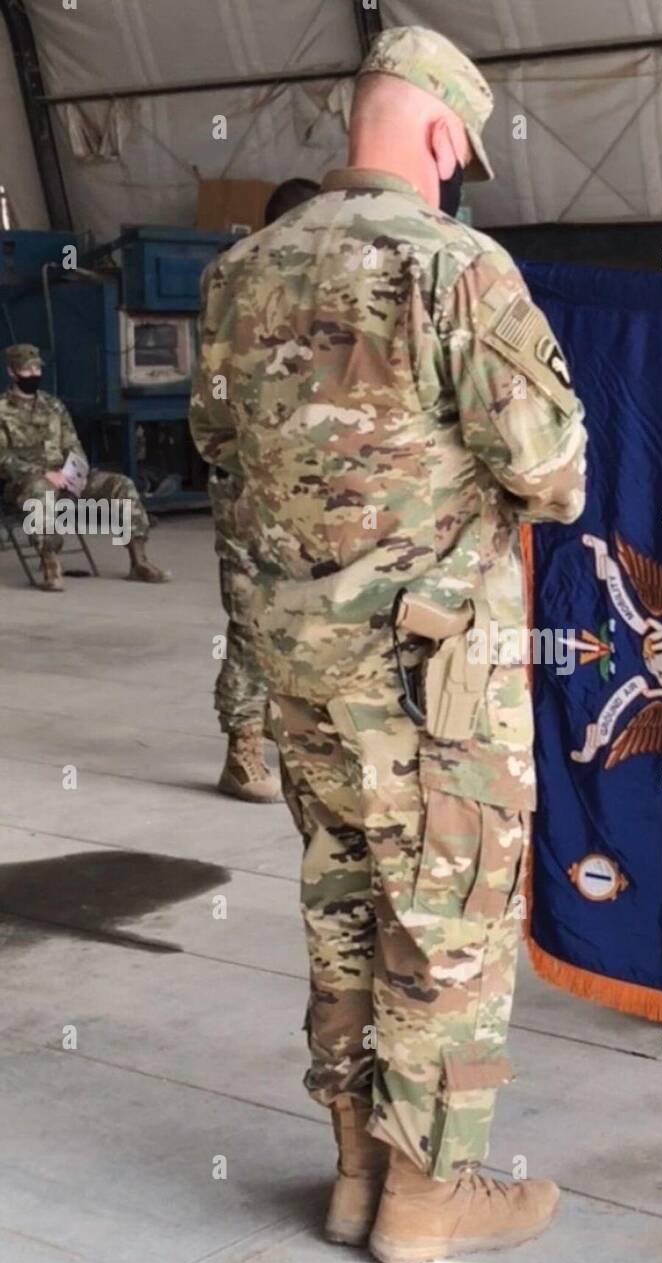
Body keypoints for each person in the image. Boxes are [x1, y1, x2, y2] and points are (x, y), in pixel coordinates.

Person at [190, 25, 586, 1263]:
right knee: (448, 928)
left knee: (345, 914)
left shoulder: (240, 272)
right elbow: (553, 470)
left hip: (299, 671)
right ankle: (429, 1191)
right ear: (436, 135)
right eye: (460, 150)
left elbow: (217, 447)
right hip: (430, 688)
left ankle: (355, 1172)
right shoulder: (458, 267)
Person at [209, 180, 321, 803]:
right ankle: (242, 746)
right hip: (253, 478)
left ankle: (284, 725)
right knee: (253, 617)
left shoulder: (323, 279)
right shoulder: (237, 279)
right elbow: (214, 401)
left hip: (311, 485)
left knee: (306, 614)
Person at [0, 343, 168, 590]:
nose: (34, 374)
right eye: (27, 370)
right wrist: (42, 473)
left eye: (37, 368)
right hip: (26, 482)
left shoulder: (53, 405)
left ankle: (138, 560)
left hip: (65, 476)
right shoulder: (2, 410)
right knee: (40, 490)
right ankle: (50, 564)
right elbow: (3, 457)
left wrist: (73, 472)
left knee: (121, 485)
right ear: (12, 372)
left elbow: (73, 444)